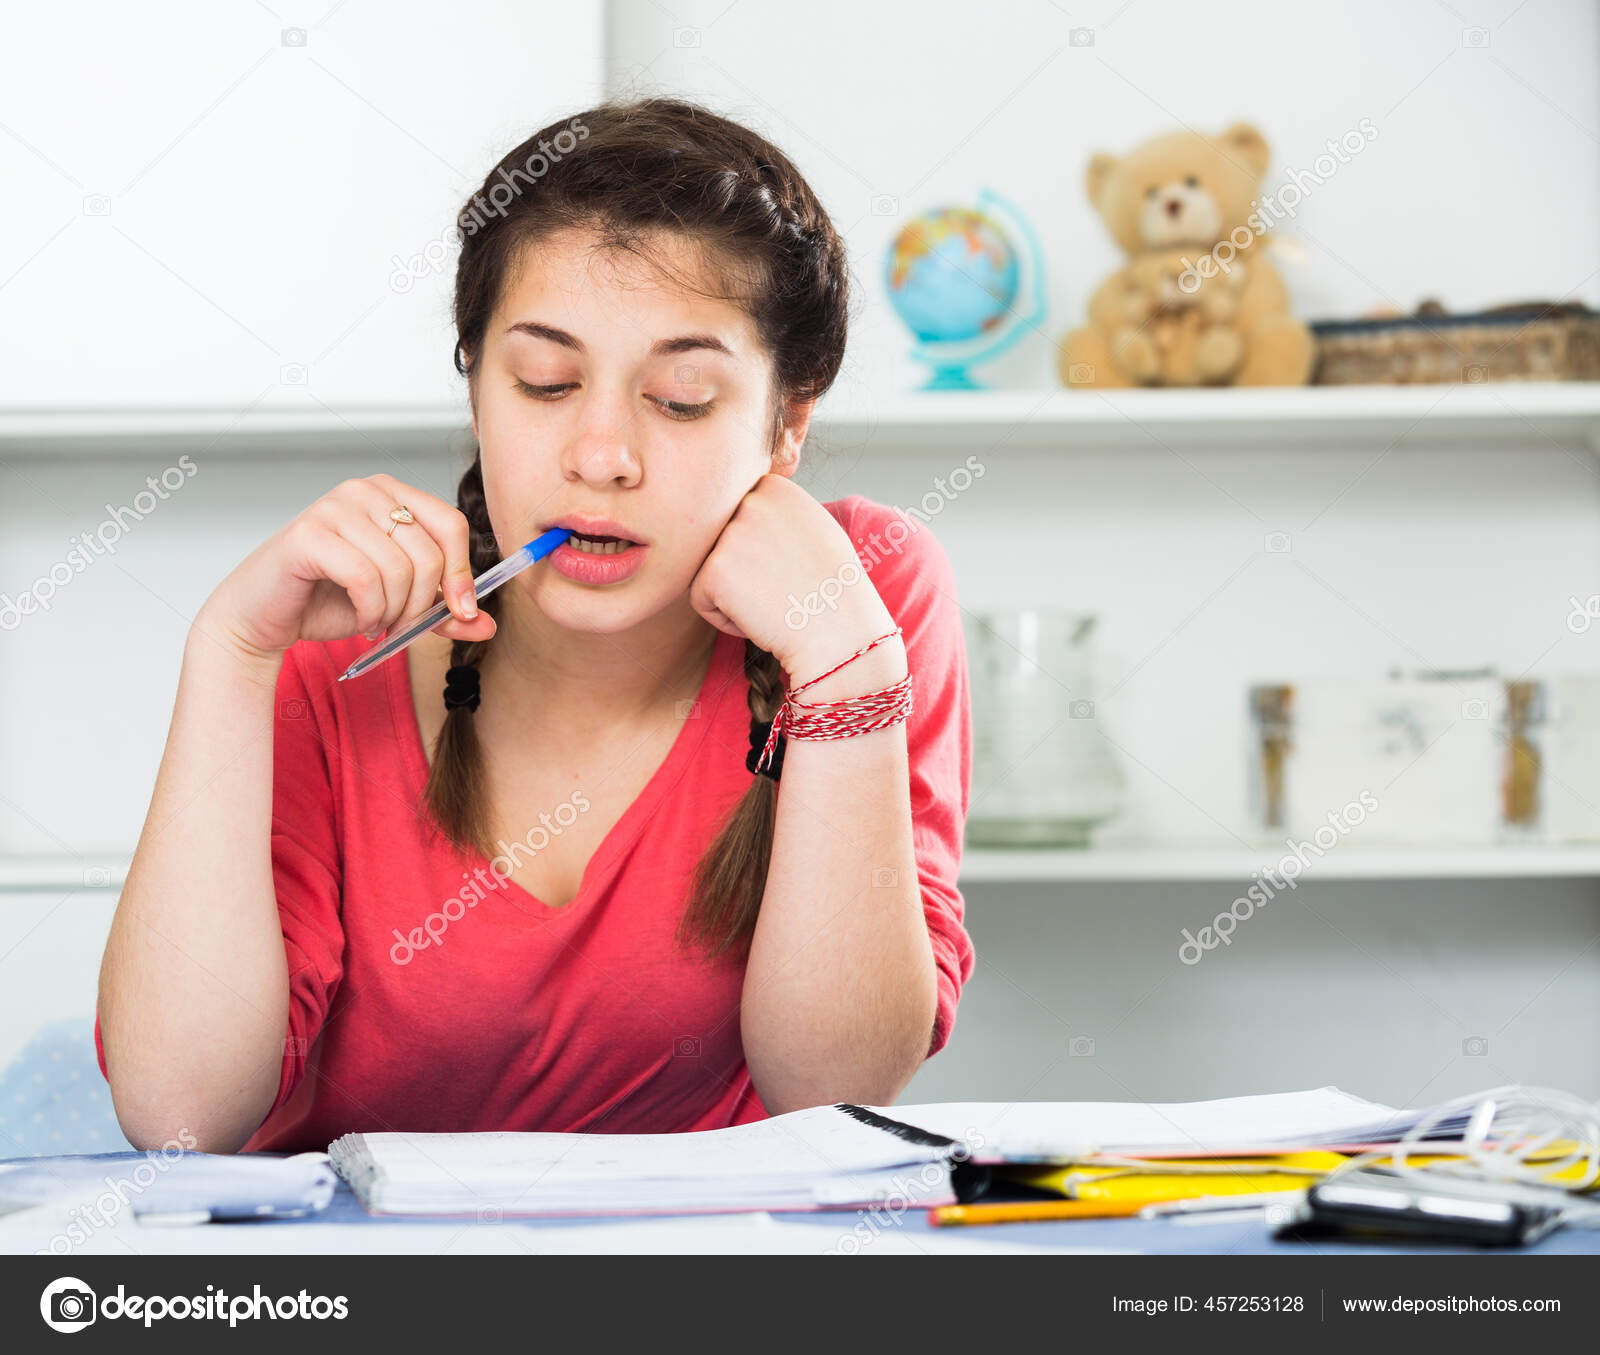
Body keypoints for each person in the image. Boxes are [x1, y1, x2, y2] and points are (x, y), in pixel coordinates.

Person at [95, 97, 974, 1155]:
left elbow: (832, 1090)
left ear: (786, 422)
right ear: (478, 394)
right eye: (545, 382)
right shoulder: (339, 636)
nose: (601, 456)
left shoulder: (857, 598)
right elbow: (177, 1116)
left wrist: (844, 677)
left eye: (683, 397)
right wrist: (230, 652)